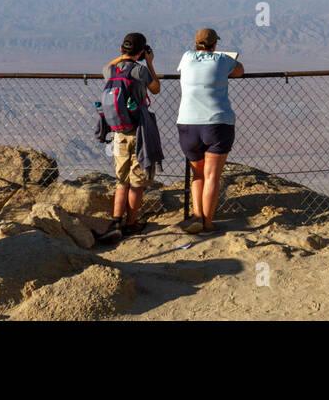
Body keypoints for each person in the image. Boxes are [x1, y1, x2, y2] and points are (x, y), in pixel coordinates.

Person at [176, 27, 244, 233]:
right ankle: (208, 222)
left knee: (198, 175)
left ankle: (197, 216)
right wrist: (223, 58)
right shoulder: (222, 60)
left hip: (187, 124)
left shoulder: (186, 58)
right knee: (212, 176)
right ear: (215, 44)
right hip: (217, 123)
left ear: (195, 43)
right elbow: (240, 70)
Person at [99, 32, 161, 240]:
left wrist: (123, 57)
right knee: (136, 180)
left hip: (118, 132)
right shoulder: (140, 70)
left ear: (121, 49)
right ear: (142, 51)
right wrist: (150, 62)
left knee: (121, 178)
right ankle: (131, 223)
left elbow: (106, 66)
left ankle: (116, 222)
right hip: (138, 131)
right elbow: (156, 88)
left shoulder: (111, 70)